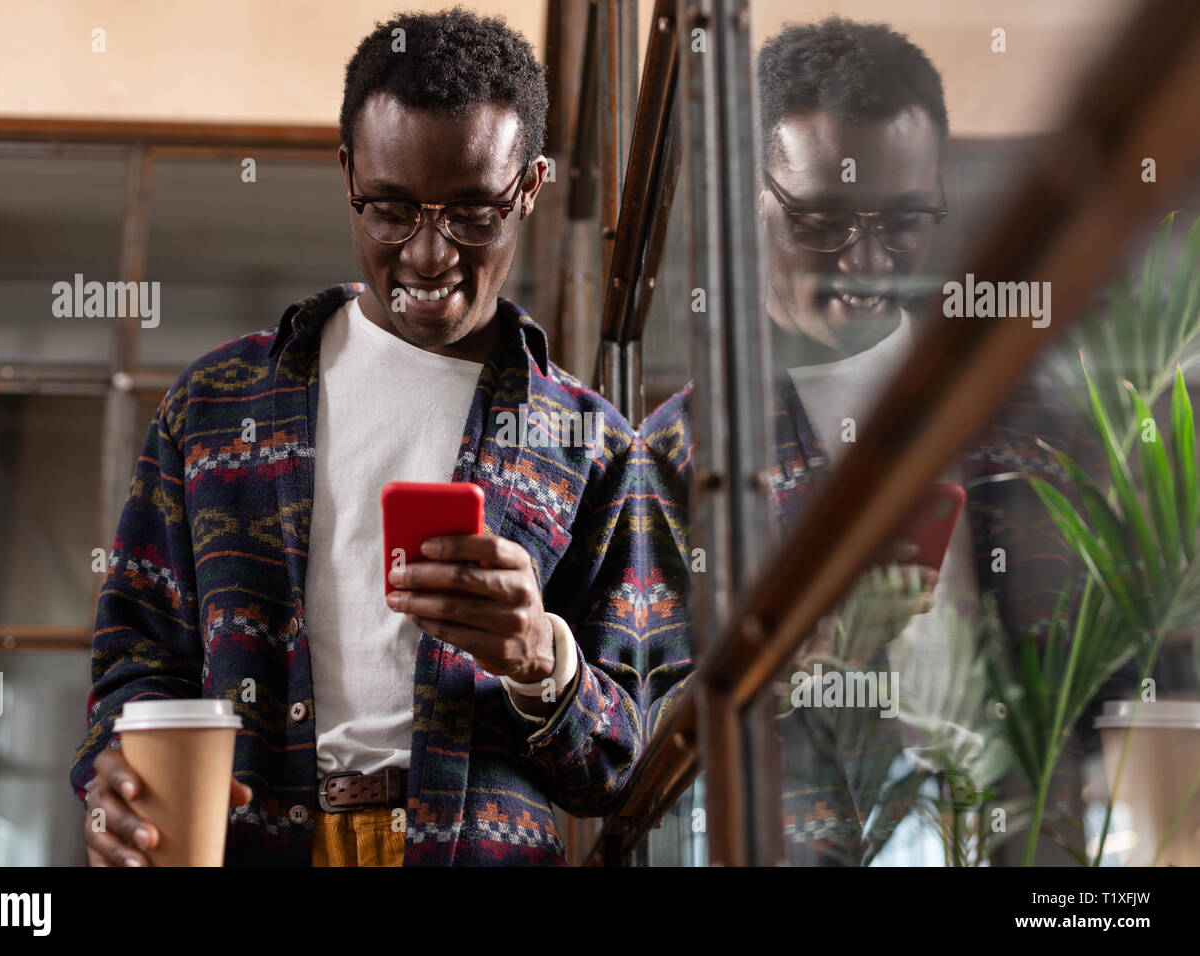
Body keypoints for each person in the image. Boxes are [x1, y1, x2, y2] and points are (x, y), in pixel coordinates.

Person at [71, 8, 680, 867]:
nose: (428, 256)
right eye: (390, 209)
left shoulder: (594, 448)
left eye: (473, 214)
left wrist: (543, 661)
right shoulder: (211, 407)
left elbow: (625, 767)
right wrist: (116, 782)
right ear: (348, 172)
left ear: (532, 186)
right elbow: (136, 658)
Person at [641, 17, 1080, 864]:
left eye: (904, 221)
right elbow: (646, 740)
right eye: (823, 224)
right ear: (746, 198)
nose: (868, 261)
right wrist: (803, 653)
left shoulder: (1012, 415)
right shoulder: (680, 453)